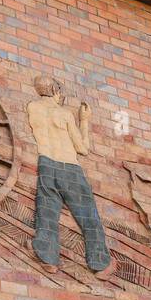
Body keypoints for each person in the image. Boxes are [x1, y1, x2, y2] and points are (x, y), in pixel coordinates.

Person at [26, 75, 112, 272]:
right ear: (56, 91)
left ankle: (48, 258)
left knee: (47, 212)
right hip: (69, 168)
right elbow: (82, 148)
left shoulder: (33, 107)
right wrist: (84, 120)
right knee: (88, 215)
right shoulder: (64, 114)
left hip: (46, 164)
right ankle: (100, 263)